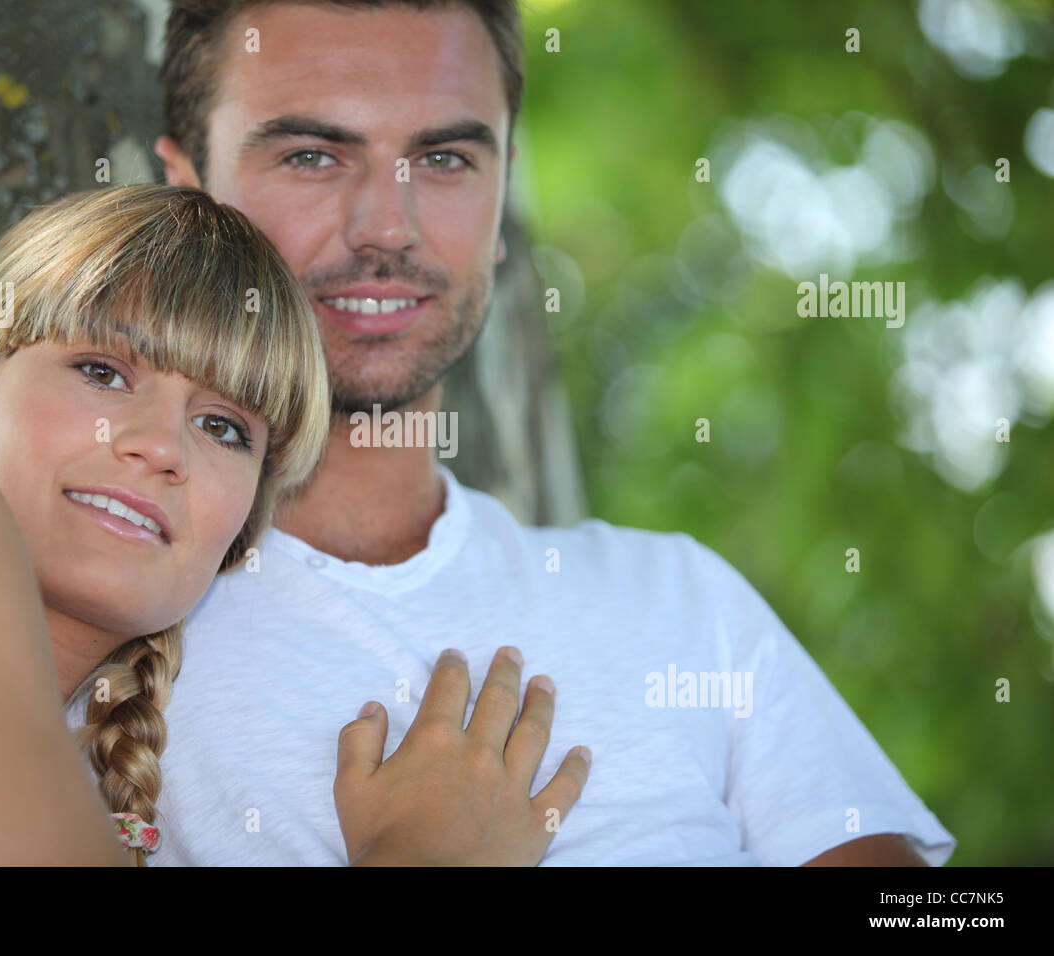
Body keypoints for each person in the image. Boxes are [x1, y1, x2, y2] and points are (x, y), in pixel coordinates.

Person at [143, 0, 957, 865]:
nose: (388, 226)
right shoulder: (95, 629)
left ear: (501, 202)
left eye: (446, 158)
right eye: (312, 155)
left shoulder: (681, 603)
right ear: (184, 188)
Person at [0, 184, 591, 866]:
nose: (160, 447)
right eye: (101, 370)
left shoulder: (119, 807)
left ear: (240, 535)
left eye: (224, 427)